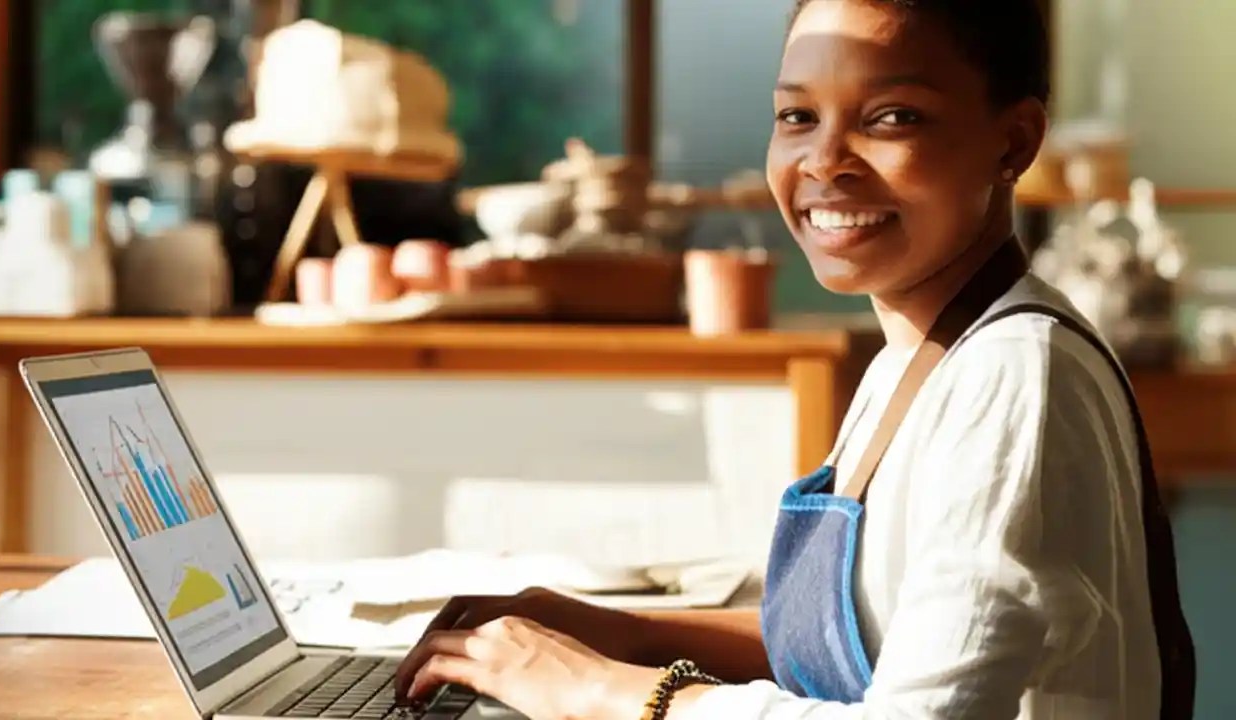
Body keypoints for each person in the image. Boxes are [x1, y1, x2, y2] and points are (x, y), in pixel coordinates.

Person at [393, 0, 1196, 718]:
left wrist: (600, 690)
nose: (823, 162)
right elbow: (868, 642)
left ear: (1013, 142)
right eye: (796, 116)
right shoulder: (919, 355)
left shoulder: (1016, 374)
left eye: (891, 117)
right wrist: (615, 630)